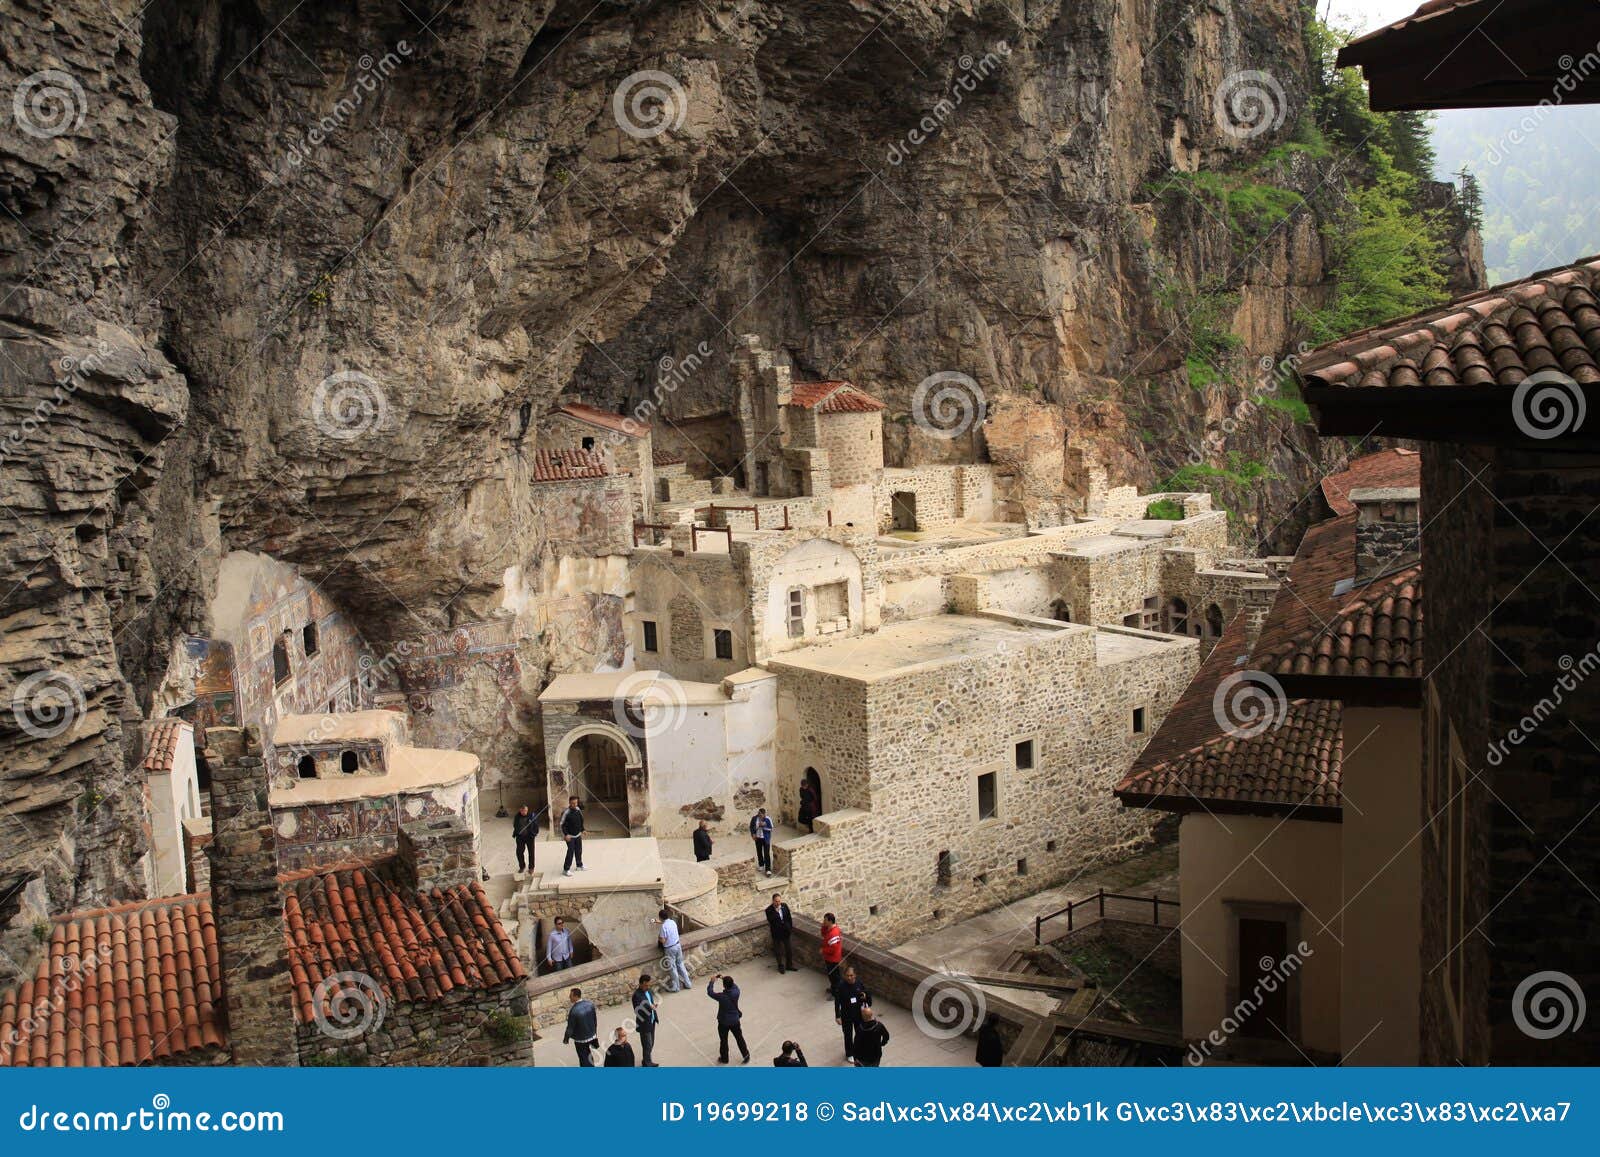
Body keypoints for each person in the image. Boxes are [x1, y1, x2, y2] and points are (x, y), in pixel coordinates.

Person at [706, 973, 750, 1064]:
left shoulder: (721, 997)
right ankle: (746, 1055)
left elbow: (710, 992)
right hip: (735, 1020)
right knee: (739, 1038)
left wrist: (712, 982)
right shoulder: (736, 992)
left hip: (723, 1022)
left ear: (724, 986)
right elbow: (733, 985)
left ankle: (724, 1058)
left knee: (724, 1041)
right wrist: (724, 978)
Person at [834, 965, 871, 1062]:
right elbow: (837, 1002)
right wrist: (838, 1016)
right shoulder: (841, 986)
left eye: (851, 975)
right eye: (847, 976)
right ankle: (849, 1053)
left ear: (855, 975)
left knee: (859, 1033)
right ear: (844, 976)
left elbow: (865, 993)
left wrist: (864, 996)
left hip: (858, 1014)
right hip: (846, 1015)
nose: (849, 977)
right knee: (848, 1035)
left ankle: (858, 1050)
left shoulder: (859, 983)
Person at [658, 908, 692, 992]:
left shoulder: (663, 926)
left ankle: (676, 987)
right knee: (680, 964)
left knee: (672, 968)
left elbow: (663, 940)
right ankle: (688, 983)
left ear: (660, 917)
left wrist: (659, 938)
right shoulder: (672, 922)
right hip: (677, 945)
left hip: (669, 948)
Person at [563, 987, 598, 1067]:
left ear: (575, 996)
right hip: (591, 1035)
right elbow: (595, 1020)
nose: (569, 997)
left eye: (570, 995)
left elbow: (570, 1027)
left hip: (581, 1039)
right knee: (588, 1054)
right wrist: (595, 1033)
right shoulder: (590, 1004)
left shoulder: (574, 1010)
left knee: (583, 1057)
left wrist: (566, 1039)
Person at [631, 973, 660, 1067]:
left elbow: (650, 1002)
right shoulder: (636, 995)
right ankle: (647, 1063)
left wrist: (653, 1006)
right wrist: (649, 1007)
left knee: (651, 1043)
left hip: (651, 1021)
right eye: (646, 985)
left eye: (649, 985)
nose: (648, 987)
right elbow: (637, 1010)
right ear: (641, 984)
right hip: (644, 1024)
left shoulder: (648, 991)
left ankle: (646, 1060)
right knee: (647, 1044)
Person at [765, 892, 795, 973]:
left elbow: (789, 917)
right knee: (778, 951)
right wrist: (776, 912)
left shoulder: (784, 906)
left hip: (786, 932)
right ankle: (780, 966)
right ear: (773, 901)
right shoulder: (768, 910)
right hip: (776, 933)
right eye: (776, 901)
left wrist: (790, 928)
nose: (778, 903)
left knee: (788, 949)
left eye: (779, 901)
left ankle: (789, 965)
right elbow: (770, 920)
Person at [820, 912, 844, 997]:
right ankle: (834, 988)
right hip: (829, 957)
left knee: (834, 976)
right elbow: (823, 934)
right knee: (832, 975)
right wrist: (823, 926)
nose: (824, 921)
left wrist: (823, 950)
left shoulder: (833, 933)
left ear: (830, 921)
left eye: (825, 920)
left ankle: (836, 993)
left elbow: (833, 949)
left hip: (833, 958)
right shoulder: (829, 929)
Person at [560, 795, 585, 876]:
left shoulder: (578, 810)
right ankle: (566, 869)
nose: (575, 805)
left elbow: (581, 820)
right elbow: (562, 824)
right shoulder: (566, 812)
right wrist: (566, 835)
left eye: (576, 803)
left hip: (578, 835)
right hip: (570, 836)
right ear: (570, 803)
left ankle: (579, 865)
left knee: (579, 850)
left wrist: (582, 829)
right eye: (573, 803)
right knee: (570, 852)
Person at [512, 803, 539, 875]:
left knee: (531, 852)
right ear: (520, 810)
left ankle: (531, 867)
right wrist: (518, 832)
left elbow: (536, 826)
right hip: (520, 837)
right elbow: (515, 825)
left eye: (526, 811)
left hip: (529, 837)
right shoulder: (517, 817)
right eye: (523, 811)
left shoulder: (531, 816)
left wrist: (534, 833)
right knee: (519, 852)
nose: (525, 812)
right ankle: (522, 866)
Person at [750, 807, 773, 876]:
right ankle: (761, 864)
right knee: (759, 851)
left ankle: (768, 869)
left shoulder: (768, 819)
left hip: (765, 838)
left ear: (764, 814)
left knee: (766, 853)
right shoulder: (754, 818)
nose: (760, 816)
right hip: (758, 838)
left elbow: (771, 829)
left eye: (762, 814)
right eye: (759, 814)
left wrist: (764, 826)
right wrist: (753, 834)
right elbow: (751, 827)